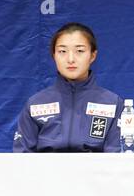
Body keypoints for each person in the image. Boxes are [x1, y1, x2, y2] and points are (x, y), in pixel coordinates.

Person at [13, 22, 124, 152]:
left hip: (95, 172)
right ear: (54, 55)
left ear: (93, 55)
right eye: (62, 51)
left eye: (80, 51)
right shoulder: (35, 103)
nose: (70, 59)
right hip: (45, 172)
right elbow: (21, 157)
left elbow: (117, 159)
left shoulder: (113, 103)